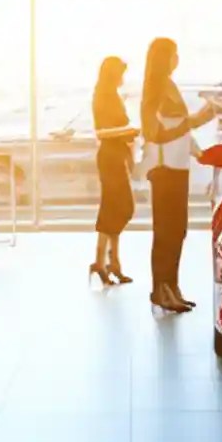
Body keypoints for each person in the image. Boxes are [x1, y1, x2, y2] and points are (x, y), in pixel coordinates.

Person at [139, 37, 218, 313]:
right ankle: (161, 289)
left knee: (177, 231)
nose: (177, 59)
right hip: (164, 170)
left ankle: (171, 286)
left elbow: (181, 129)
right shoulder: (156, 89)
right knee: (166, 232)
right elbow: (154, 132)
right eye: (174, 54)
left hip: (178, 168)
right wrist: (196, 120)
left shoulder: (169, 86)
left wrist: (198, 151)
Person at [90, 56, 139, 286]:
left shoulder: (110, 95)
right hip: (110, 157)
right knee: (119, 207)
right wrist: (127, 131)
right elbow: (102, 132)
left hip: (115, 155)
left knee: (115, 208)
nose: (123, 78)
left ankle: (107, 261)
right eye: (121, 73)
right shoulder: (103, 96)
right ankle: (107, 261)